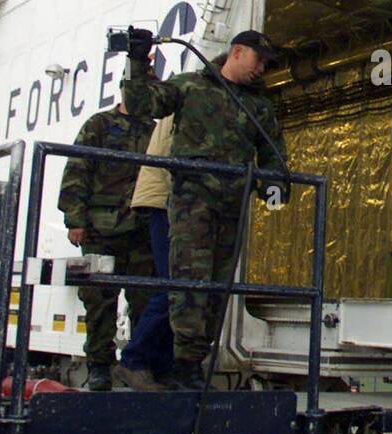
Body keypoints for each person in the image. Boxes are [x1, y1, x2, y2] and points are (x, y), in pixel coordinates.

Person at [122, 29, 287, 390]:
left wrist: (275, 186)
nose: (262, 69)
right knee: (188, 285)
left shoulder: (257, 106)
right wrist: (136, 62)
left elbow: (272, 151)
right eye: (259, 60)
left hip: (231, 206)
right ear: (238, 52)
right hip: (192, 203)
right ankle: (180, 363)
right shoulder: (191, 87)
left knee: (215, 287)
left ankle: (189, 362)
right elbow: (142, 104)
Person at [57, 102, 156, 391]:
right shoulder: (99, 125)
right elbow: (77, 171)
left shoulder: (153, 130)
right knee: (100, 301)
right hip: (102, 229)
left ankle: (137, 364)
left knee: (144, 300)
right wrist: (75, 220)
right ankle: (99, 365)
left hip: (141, 229)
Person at [113, 115, 175, 391]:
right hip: (166, 200)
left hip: (167, 198)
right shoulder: (191, 98)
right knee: (173, 285)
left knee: (175, 286)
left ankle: (157, 364)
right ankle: (134, 359)